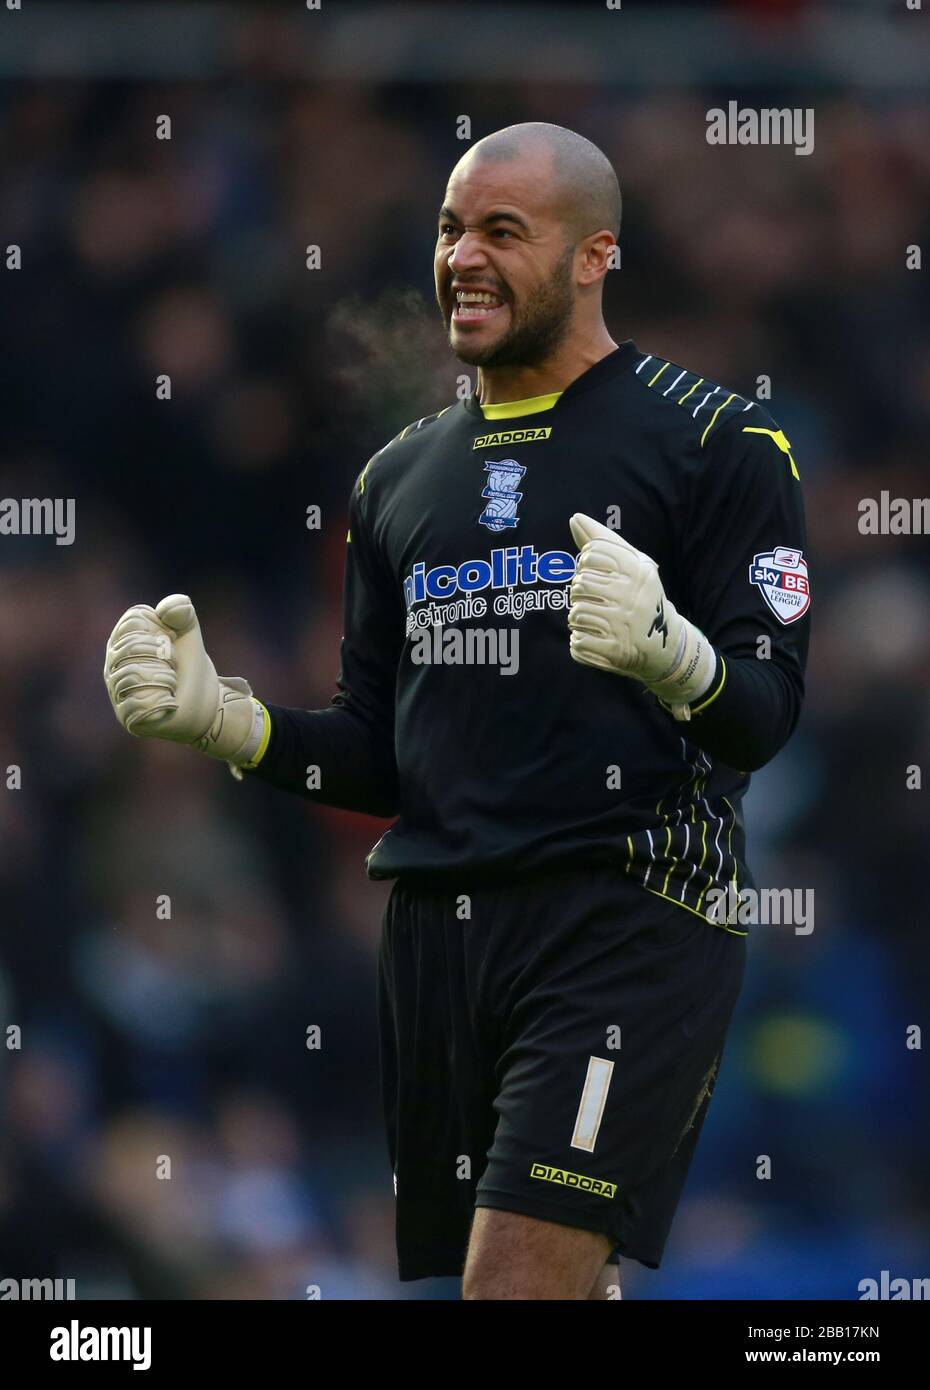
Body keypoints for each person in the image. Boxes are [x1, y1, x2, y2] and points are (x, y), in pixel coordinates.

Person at [104, 122, 810, 1300]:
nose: (463, 257)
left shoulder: (719, 442)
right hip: (437, 939)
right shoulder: (396, 481)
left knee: (514, 1286)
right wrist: (231, 724)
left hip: (624, 918)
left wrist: (675, 655)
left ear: (595, 256)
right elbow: (383, 756)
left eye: (502, 231)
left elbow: (767, 711)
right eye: (448, 228)